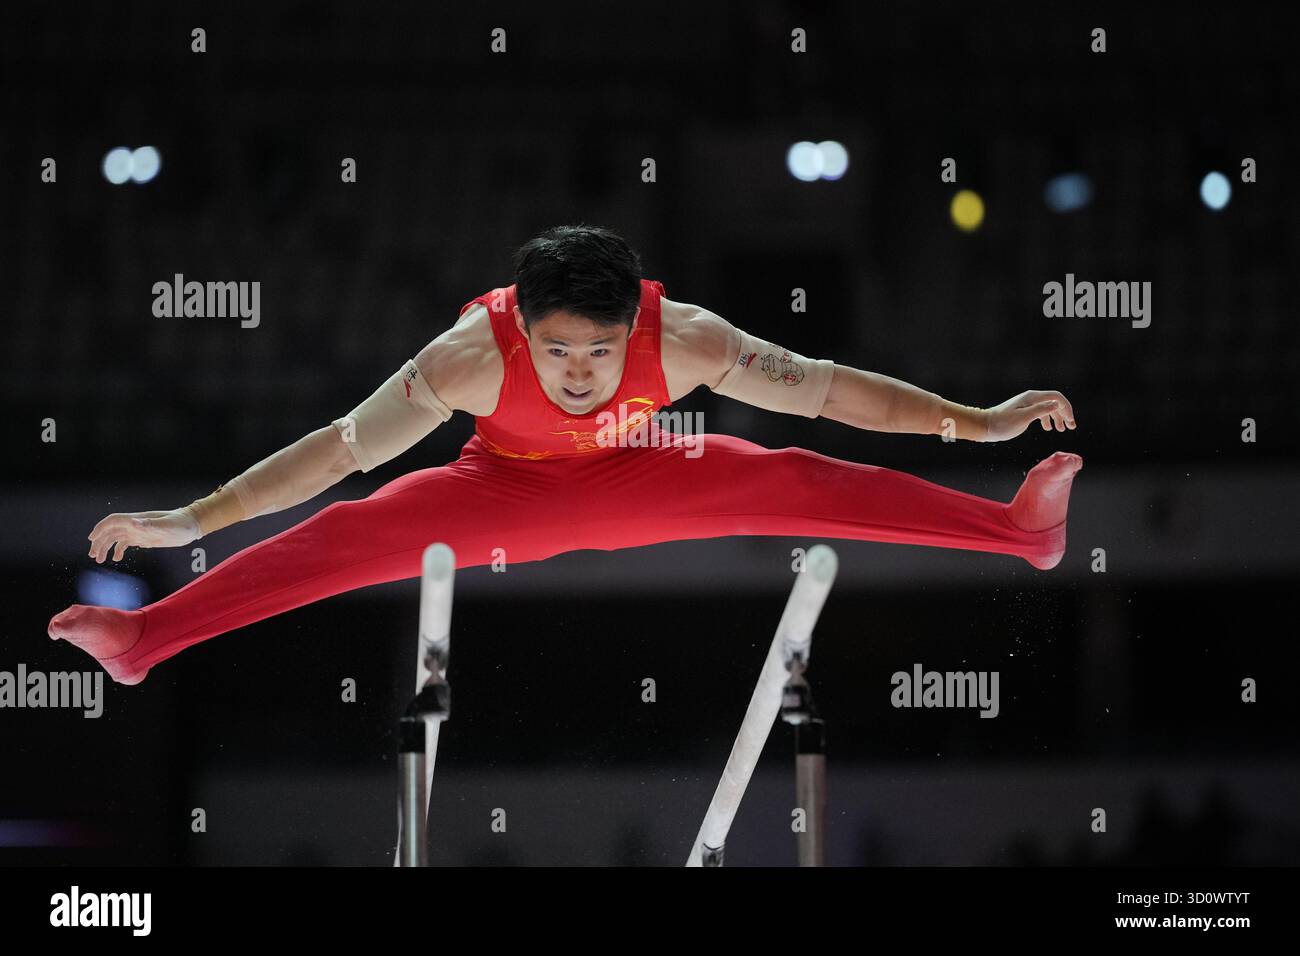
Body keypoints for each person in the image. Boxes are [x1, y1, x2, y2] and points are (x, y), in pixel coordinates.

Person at [48, 224, 1081, 685]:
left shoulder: (688, 339)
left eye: (599, 348)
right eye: (557, 350)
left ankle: (1015, 531)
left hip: (646, 468)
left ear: (633, 322)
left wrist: (978, 424)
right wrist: (194, 517)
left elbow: (829, 390)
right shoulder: (463, 360)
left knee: (792, 478)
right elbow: (333, 452)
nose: (581, 371)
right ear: (520, 326)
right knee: (348, 534)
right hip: (501, 488)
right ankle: (149, 638)